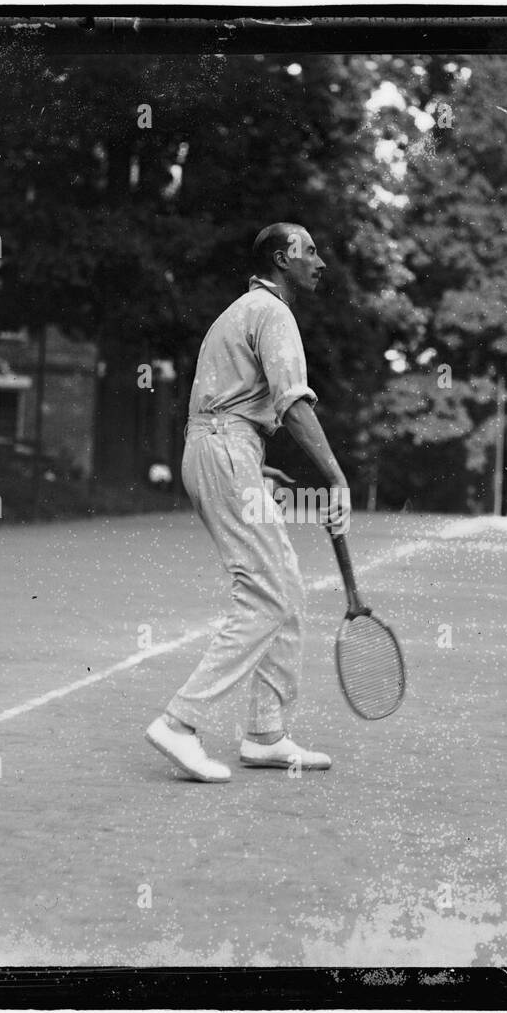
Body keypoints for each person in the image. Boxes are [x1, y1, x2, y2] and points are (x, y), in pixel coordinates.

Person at [144, 223, 351, 783]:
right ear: (284, 258)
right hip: (224, 451)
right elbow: (294, 404)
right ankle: (179, 723)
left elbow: (223, 402)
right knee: (266, 594)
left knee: (283, 584)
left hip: (223, 449)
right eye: (310, 251)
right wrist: (334, 476)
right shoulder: (273, 312)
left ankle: (265, 734)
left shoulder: (241, 310)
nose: (320, 262)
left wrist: (250, 459)